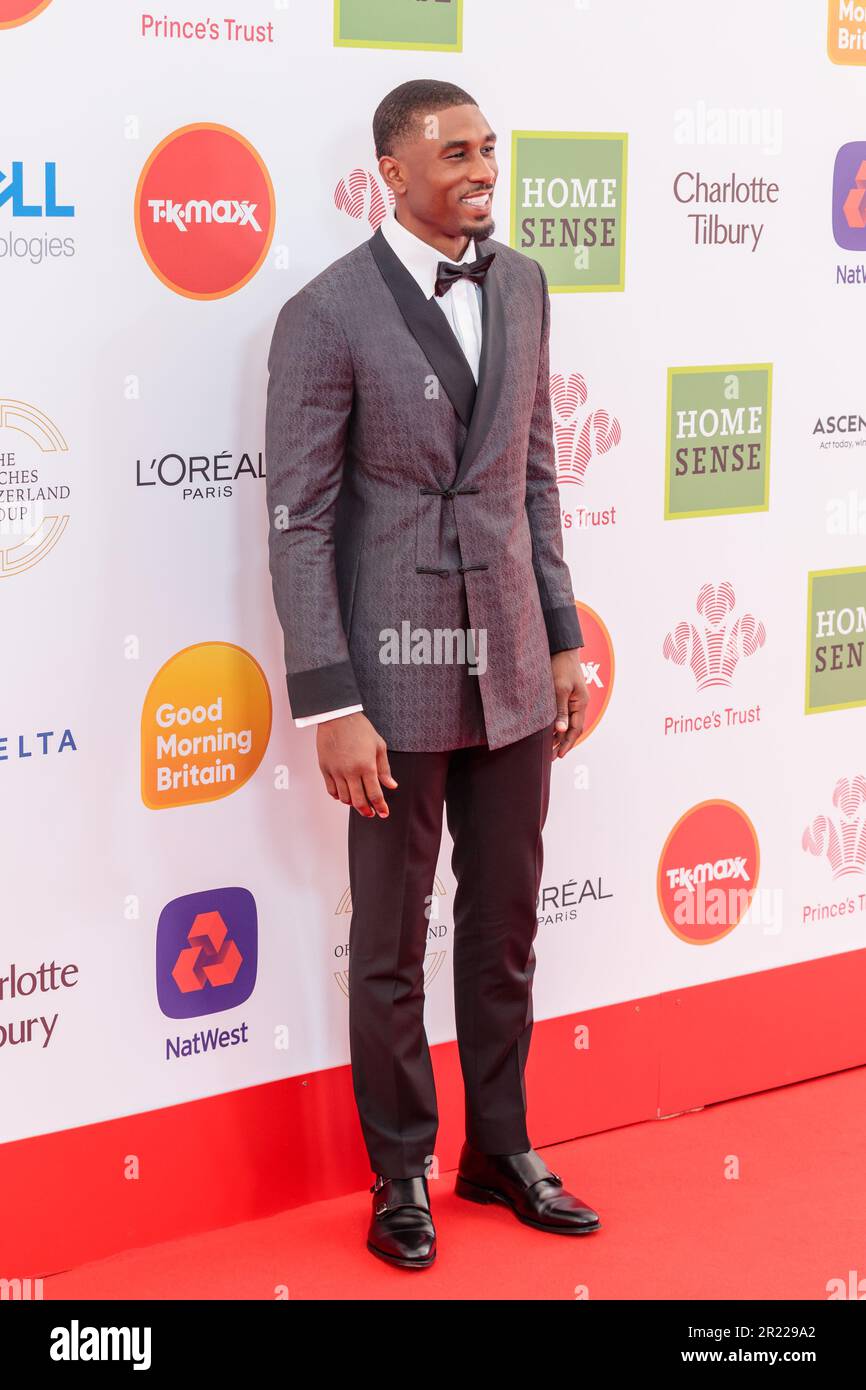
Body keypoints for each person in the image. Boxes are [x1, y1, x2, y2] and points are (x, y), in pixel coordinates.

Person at [265, 78, 600, 1270]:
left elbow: (538, 476)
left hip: (509, 660)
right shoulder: (324, 312)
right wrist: (331, 700)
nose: (479, 170)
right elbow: (299, 519)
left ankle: (499, 1149)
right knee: (391, 938)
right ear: (389, 172)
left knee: (504, 921)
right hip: (390, 676)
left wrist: (561, 636)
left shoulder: (521, 283)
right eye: (452, 152)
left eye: (487, 150)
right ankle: (398, 1170)